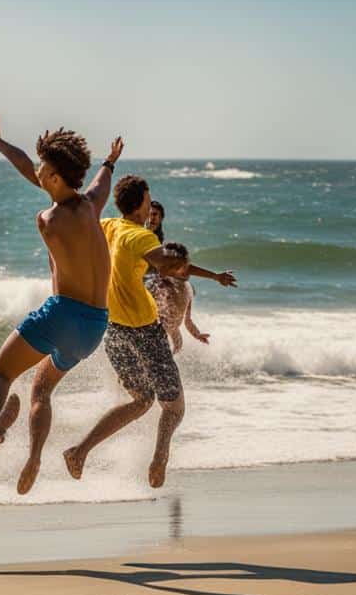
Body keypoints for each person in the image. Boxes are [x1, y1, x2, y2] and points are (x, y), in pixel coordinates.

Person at [0, 114, 122, 496]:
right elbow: (99, 180)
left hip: (62, 313)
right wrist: (110, 161)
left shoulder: (48, 219)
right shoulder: (93, 204)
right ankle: (34, 457)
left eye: (46, 171)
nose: (39, 175)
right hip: (94, 327)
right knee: (41, 391)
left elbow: (32, 176)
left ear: (56, 178)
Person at [62, 175, 236, 489]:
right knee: (174, 406)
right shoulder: (143, 239)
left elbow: (81, 220)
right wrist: (210, 274)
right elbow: (170, 268)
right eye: (148, 199)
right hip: (145, 331)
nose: (150, 205)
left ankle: (79, 451)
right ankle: (159, 458)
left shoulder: (111, 226)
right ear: (141, 202)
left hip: (113, 330)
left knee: (142, 400)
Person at [146, 242, 210, 354]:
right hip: (158, 327)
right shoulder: (163, 284)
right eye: (182, 268)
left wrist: (197, 334)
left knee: (178, 346)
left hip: (174, 330)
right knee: (158, 352)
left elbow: (188, 320)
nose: (187, 271)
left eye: (186, 268)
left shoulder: (189, 290)